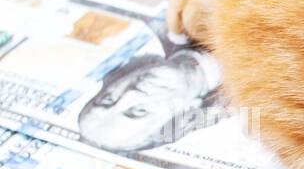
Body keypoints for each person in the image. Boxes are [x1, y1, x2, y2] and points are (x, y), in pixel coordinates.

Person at [76, 36, 222, 154]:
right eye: (139, 111)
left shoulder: (172, 25)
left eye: (107, 100)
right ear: (187, 118)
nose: (131, 93)